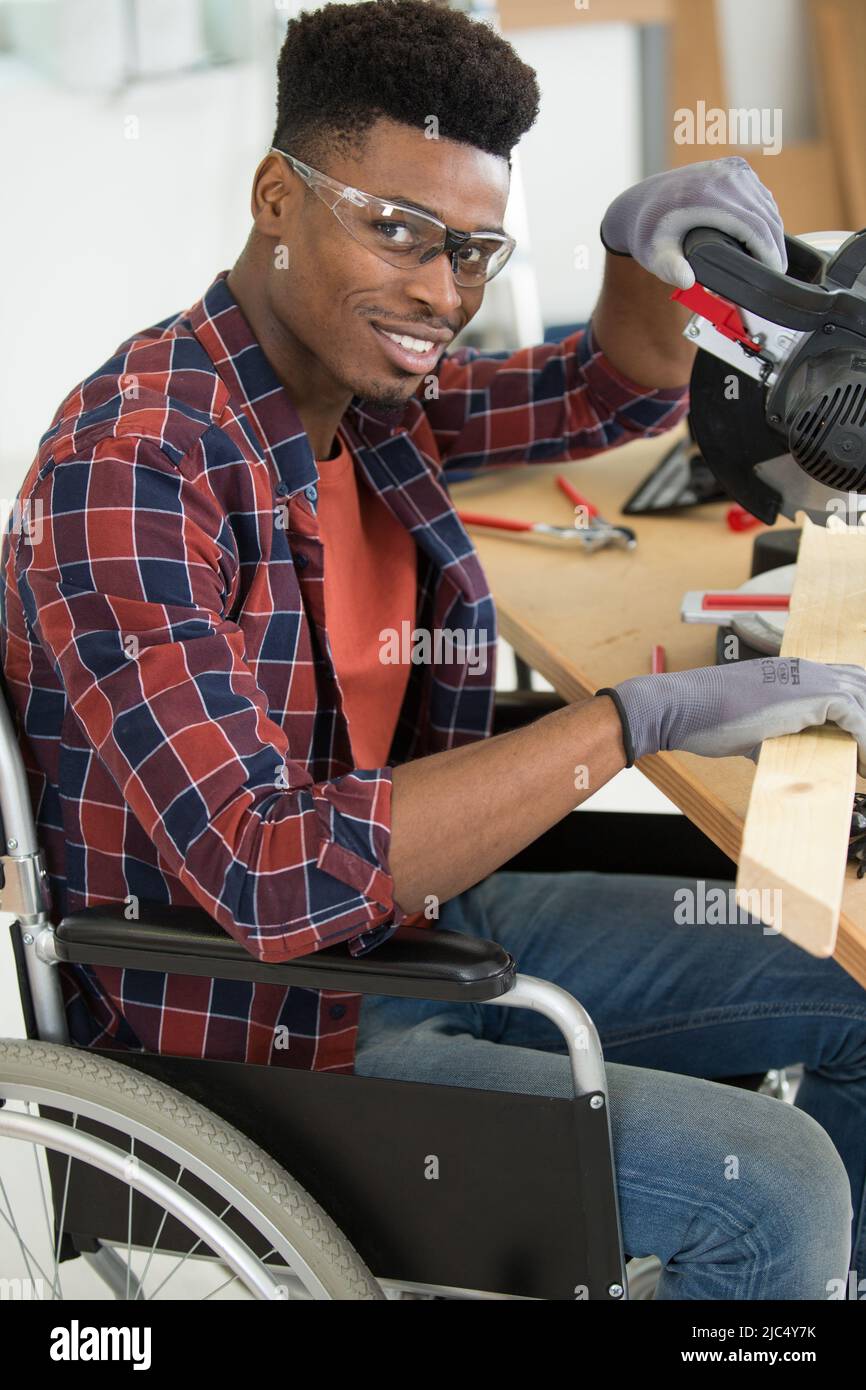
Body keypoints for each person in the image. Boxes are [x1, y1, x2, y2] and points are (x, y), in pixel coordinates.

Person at [3, 0, 864, 1299]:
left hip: (413, 917)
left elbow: (601, 385)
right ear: (276, 199)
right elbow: (269, 875)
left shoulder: (363, 389)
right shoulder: (133, 469)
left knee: (848, 986)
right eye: (395, 230)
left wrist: (646, 244)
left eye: (473, 248)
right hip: (257, 1024)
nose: (440, 294)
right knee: (778, 1187)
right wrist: (633, 722)